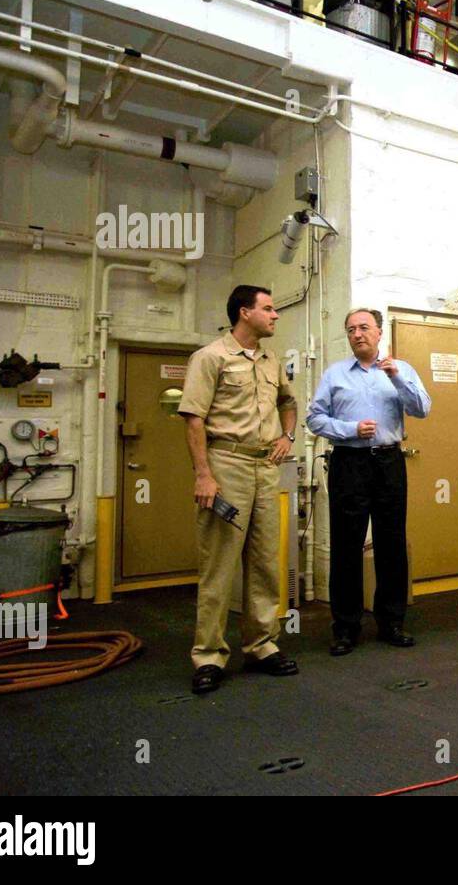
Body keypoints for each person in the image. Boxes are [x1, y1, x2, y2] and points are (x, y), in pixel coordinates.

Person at [179, 284, 299, 694]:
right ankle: (208, 654)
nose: (275, 315)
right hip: (225, 464)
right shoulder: (210, 357)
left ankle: (262, 644)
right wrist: (203, 475)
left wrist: (288, 436)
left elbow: (289, 401)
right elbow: (193, 417)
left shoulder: (270, 360)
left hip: (266, 466)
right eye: (268, 308)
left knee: (266, 561)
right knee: (219, 565)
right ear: (244, 313)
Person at [306, 307, 431, 656]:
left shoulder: (400, 369)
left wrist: (398, 379)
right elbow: (314, 419)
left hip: (389, 461)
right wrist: (349, 430)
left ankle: (391, 621)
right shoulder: (334, 375)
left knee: (391, 543)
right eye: (351, 330)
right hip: (349, 462)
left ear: (379, 333)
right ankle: (345, 627)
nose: (357, 334)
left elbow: (422, 409)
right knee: (346, 544)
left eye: (363, 328)